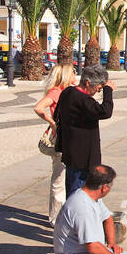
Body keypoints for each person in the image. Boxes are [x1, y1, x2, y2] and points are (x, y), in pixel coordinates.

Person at [55, 65, 114, 197]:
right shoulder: (83, 100)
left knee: (74, 190)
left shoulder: (68, 92)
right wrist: (108, 91)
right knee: (78, 193)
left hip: (71, 152)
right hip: (83, 157)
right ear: (87, 83)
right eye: (98, 88)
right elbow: (105, 111)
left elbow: (56, 114)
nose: (98, 92)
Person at [33, 63, 78, 224]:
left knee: (65, 176)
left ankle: (62, 214)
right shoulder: (57, 92)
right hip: (61, 138)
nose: (75, 74)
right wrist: (52, 123)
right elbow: (39, 107)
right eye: (73, 72)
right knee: (59, 177)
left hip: (69, 137)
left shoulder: (67, 91)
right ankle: (55, 217)